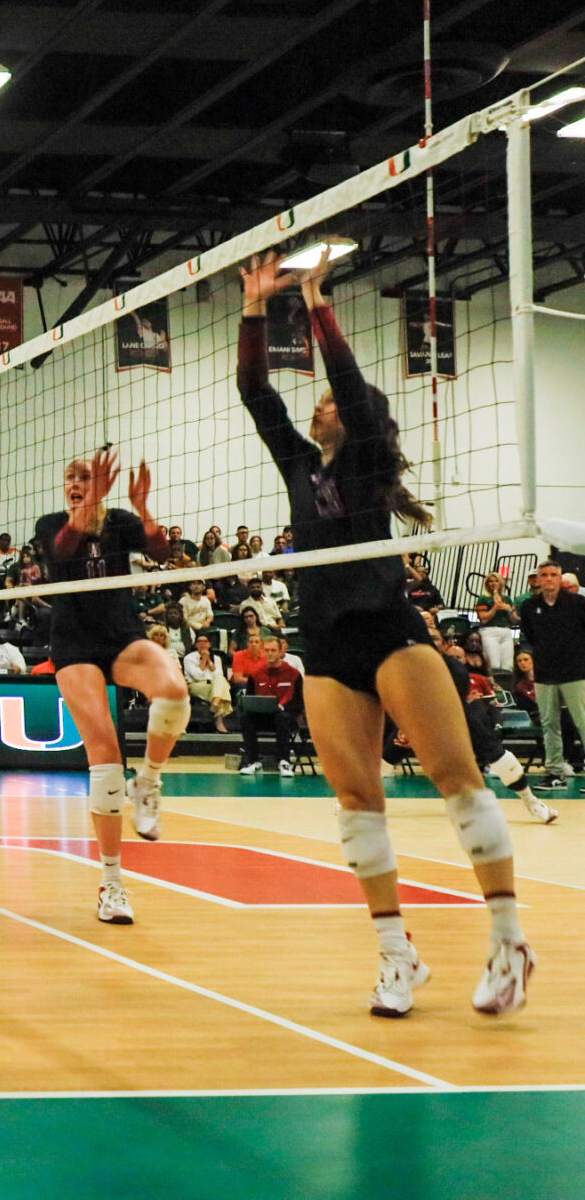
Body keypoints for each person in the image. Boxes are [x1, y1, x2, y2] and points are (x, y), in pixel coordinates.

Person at [239, 248, 531, 1016]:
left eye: (334, 400)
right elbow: (253, 390)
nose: (321, 406)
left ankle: (509, 940)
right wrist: (254, 310)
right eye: (323, 402)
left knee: (454, 778)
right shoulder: (300, 465)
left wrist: (316, 302)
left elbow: (350, 394)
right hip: (327, 643)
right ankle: (397, 956)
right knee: (355, 799)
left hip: (390, 630)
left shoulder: (365, 456)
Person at [32, 448, 194, 918]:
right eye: (71, 475)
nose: (77, 481)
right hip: (74, 645)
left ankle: (148, 783)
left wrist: (142, 508)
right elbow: (61, 550)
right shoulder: (51, 523)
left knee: (175, 692)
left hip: (122, 635)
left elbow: (164, 553)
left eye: (85, 475)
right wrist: (88, 506)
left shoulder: (120, 521)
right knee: (104, 755)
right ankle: (112, 882)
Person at [438, 636, 557, 825]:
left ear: (444, 645)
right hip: (427, 721)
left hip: (463, 715)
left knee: (496, 751)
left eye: (435, 637)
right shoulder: (410, 668)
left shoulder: (463, 673)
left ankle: (532, 802)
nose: (430, 640)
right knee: (388, 757)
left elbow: (493, 699)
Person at [518, 560, 585, 788]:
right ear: (538, 578)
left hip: (575, 672)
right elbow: (530, 635)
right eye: (544, 574)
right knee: (549, 723)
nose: (548, 578)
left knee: (583, 722)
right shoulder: (529, 606)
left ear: (560, 578)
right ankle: (555, 773)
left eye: (553, 574)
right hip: (545, 674)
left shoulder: (578, 603)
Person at [238, 634, 302, 777]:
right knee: (245, 718)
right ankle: (253, 761)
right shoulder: (255, 674)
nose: (269, 653)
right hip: (262, 718)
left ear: (280, 652)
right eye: (266, 650)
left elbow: (299, 702)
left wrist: (285, 709)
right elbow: (250, 698)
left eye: (273, 650)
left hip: (285, 718)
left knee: (282, 718)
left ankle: (284, 761)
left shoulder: (294, 674)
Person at [473, 572, 518, 674]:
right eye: (490, 581)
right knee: (494, 663)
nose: (493, 583)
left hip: (506, 631)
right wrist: (495, 608)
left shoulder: (507, 599)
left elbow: (514, 620)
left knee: (508, 664)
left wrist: (509, 609)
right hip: (490, 631)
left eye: (496, 581)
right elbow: (483, 619)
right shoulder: (483, 598)